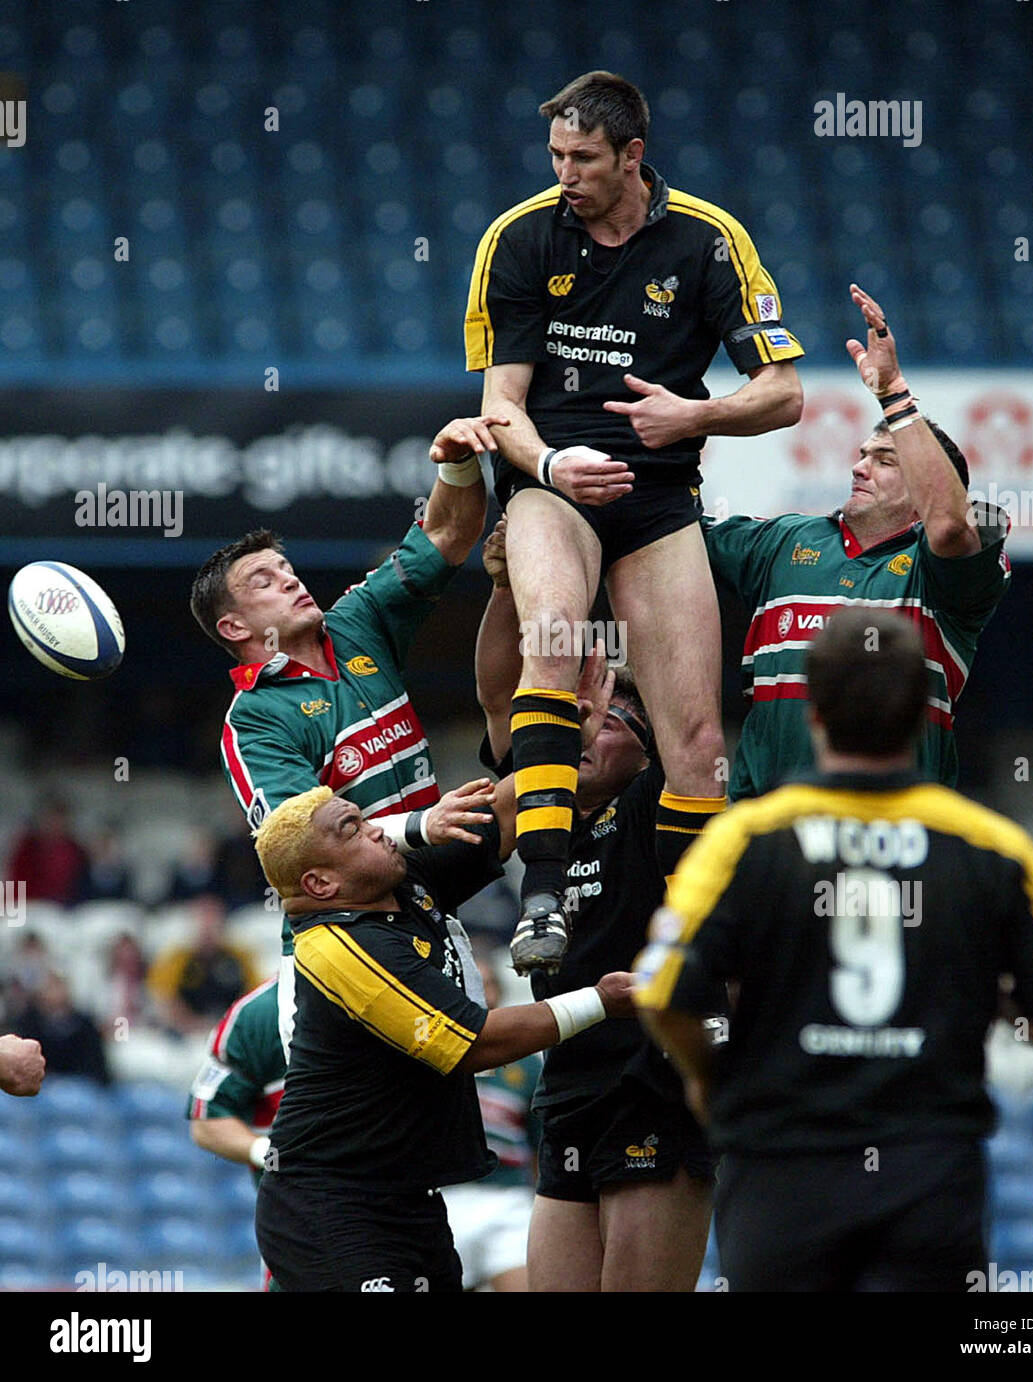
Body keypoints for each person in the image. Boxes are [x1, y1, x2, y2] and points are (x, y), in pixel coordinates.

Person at [634, 608, 1033, 1292]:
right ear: (922, 714)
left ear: (812, 712)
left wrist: (709, 1078)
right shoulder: (993, 846)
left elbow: (662, 990)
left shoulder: (745, 841)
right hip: (930, 1178)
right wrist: (977, 993)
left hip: (779, 1172)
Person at [465, 69, 804, 973]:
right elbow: (501, 402)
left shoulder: (708, 240)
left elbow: (783, 392)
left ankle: (691, 950)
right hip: (553, 478)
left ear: (632, 155)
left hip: (657, 495)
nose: (564, 173)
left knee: (696, 739)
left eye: (582, 157)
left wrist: (692, 416)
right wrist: (547, 465)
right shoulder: (520, 237)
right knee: (552, 637)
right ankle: (541, 895)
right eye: (555, 156)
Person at [190, 415, 503, 1050]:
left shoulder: (357, 622)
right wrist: (420, 825)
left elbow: (446, 531)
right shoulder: (253, 720)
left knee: (557, 774)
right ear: (233, 628)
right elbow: (301, 846)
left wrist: (457, 464)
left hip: (427, 888)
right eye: (263, 581)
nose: (289, 579)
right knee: (361, 1132)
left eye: (285, 568)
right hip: (343, 927)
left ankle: (555, 905)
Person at [250, 782, 636, 1292]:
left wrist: (560, 720)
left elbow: (504, 812)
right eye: (354, 829)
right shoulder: (336, 946)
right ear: (320, 883)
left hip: (411, 1201)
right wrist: (602, 1002)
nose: (380, 832)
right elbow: (475, 1045)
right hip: (334, 1208)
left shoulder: (399, 888)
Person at [475, 521, 714, 1291]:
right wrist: (508, 585)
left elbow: (685, 712)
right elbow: (495, 697)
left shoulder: (656, 801)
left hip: (652, 1072)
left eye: (606, 722)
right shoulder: (547, 805)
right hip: (570, 1077)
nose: (582, 732)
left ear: (647, 749)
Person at [705, 284, 1010, 799]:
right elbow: (674, 532)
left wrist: (894, 395)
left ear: (924, 489)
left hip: (899, 836)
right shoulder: (783, 541)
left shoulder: (941, 579)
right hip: (767, 834)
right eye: (864, 453)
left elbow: (951, 527)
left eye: (885, 460)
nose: (858, 466)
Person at [439, 953, 541, 1292]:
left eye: (488, 985)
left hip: (507, 1200)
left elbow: (541, 1143)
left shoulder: (526, 1063)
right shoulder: (424, 1049)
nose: (480, 993)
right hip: (440, 1200)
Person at [187, 975, 285, 1291]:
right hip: (301, 1227)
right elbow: (205, 1120)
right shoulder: (262, 1014)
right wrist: (270, 1154)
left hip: (405, 1215)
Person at [147, 895, 261, 1037]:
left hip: (231, 1029)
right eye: (202, 920)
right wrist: (194, 1024)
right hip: (185, 1033)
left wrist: (230, 1024)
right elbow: (164, 999)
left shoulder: (240, 956)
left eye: (213, 920)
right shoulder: (177, 958)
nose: (207, 927)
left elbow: (256, 994)